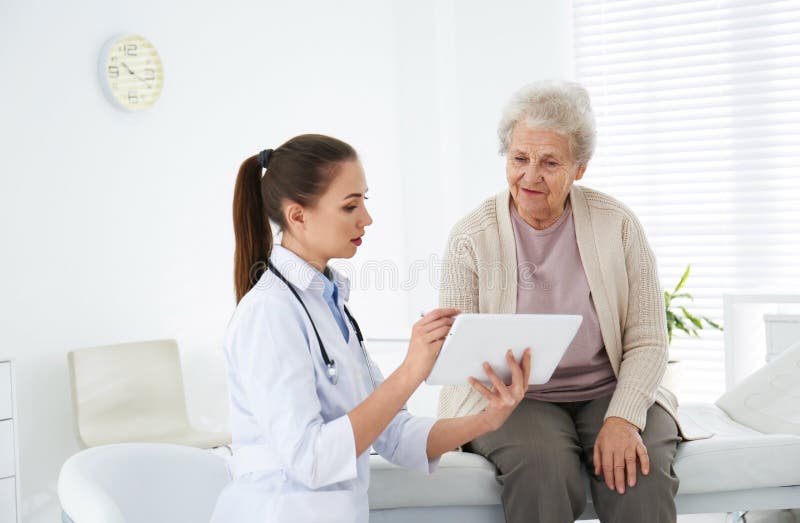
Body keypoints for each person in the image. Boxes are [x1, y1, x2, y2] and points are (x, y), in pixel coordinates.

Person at [210, 134, 532, 523]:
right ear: (297, 216)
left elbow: (395, 434)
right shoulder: (269, 313)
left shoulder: (329, 305)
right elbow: (310, 461)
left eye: (364, 200)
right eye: (350, 206)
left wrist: (489, 419)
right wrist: (411, 370)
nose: (366, 218)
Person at [437, 82, 681, 523]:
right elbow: (458, 349)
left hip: (609, 388)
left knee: (636, 473)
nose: (530, 176)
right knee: (543, 469)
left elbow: (648, 339)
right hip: (513, 398)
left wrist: (624, 418)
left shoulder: (617, 224)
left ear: (579, 168)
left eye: (550, 162)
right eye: (519, 159)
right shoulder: (471, 236)